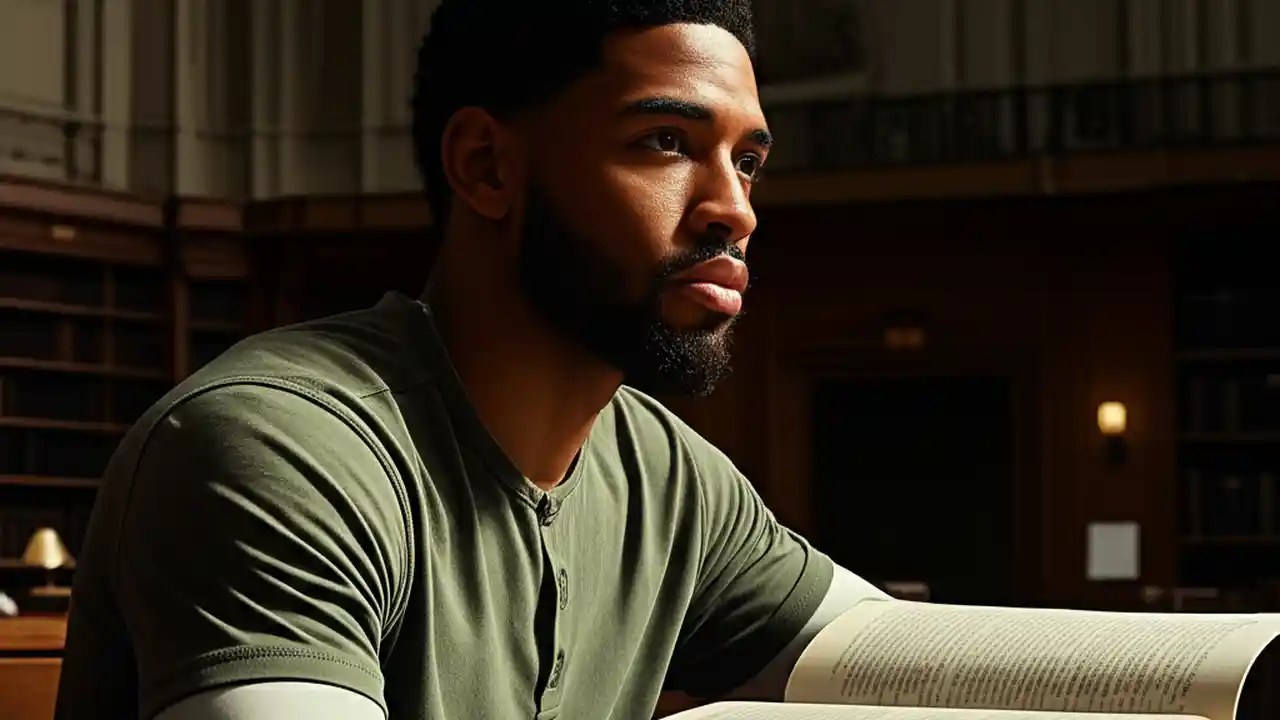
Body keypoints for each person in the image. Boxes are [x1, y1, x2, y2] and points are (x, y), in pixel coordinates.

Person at [55, 1, 885, 717]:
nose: (733, 210)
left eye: (747, 162)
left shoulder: (667, 476)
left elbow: (906, 654)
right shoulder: (275, 448)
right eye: (665, 141)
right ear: (486, 166)